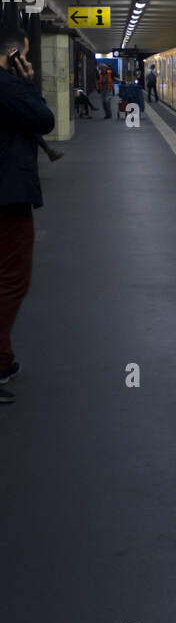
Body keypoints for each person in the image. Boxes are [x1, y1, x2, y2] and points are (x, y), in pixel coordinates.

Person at [0, 27, 55, 395]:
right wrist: (29, 82)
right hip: (7, 198)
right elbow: (44, 119)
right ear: (16, 54)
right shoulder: (9, 86)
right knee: (11, 281)